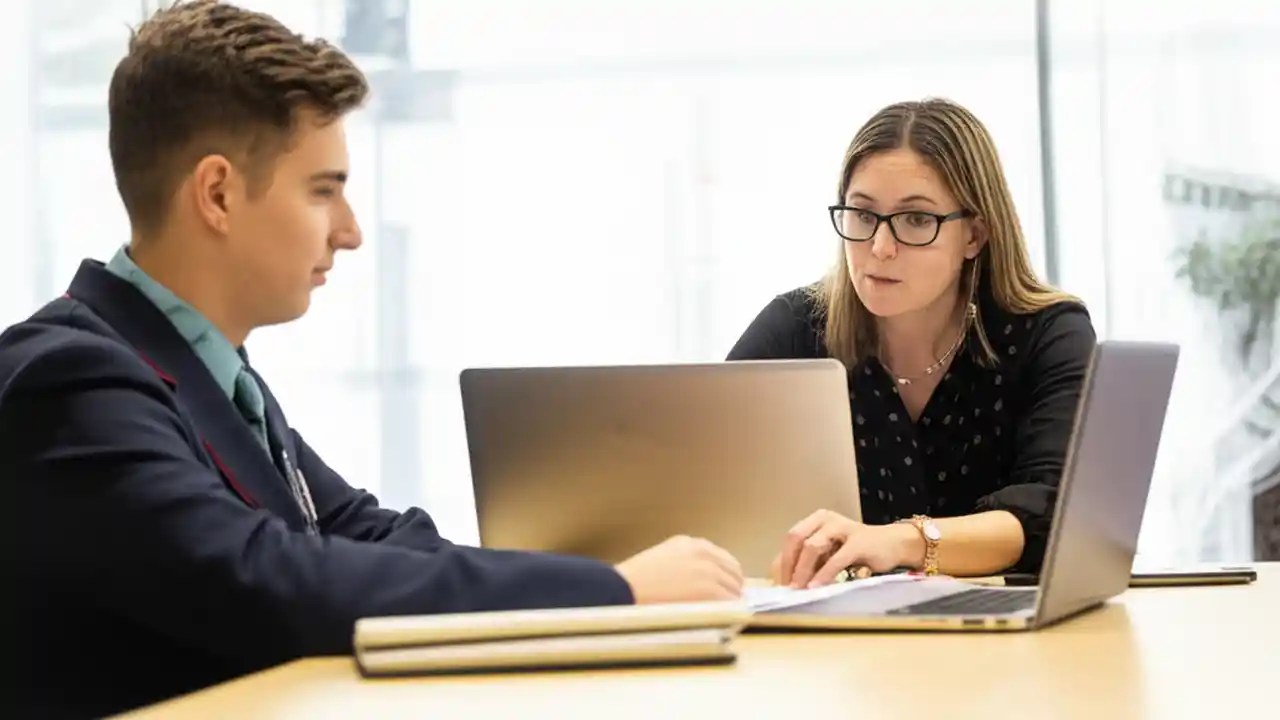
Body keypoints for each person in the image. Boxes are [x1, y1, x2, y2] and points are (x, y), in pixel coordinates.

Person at [0, 2, 742, 717]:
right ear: (219, 194)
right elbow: (267, 580)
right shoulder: (72, 379)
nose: (350, 232)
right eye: (323, 192)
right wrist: (611, 592)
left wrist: (607, 574)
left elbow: (371, 534)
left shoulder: (209, 374)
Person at [728, 98, 1096, 589]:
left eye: (916, 220)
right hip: (830, 644)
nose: (880, 247)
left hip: (1013, 642)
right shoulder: (795, 328)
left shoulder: (1048, 334)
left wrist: (897, 542)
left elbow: (1056, 518)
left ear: (975, 235)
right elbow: (708, 490)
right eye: (862, 215)